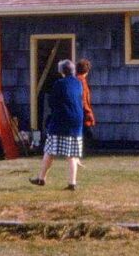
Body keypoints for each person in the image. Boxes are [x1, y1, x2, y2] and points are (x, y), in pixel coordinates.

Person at [29, 59, 85, 190]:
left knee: (49, 150)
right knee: (72, 154)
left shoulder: (59, 84)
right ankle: (72, 183)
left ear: (61, 71)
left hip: (61, 120)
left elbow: (52, 102)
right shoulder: (78, 83)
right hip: (77, 120)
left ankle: (41, 178)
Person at [75, 58, 96, 138]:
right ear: (87, 71)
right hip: (82, 115)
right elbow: (84, 100)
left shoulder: (74, 80)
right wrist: (89, 114)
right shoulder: (82, 81)